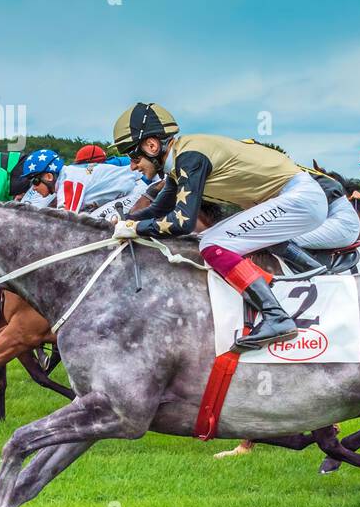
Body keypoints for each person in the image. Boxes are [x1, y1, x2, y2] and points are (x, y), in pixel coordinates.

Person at [108, 102, 331, 349]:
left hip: (299, 198)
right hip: (297, 197)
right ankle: (319, 272)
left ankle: (276, 317)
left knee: (211, 243)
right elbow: (159, 209)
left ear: (151, 145)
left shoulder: (189, 158)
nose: (132, 166)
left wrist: (135, 229)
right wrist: (124, 221)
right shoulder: (181, 159)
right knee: (221, 236)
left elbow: (182, 222)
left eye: (133, 156)